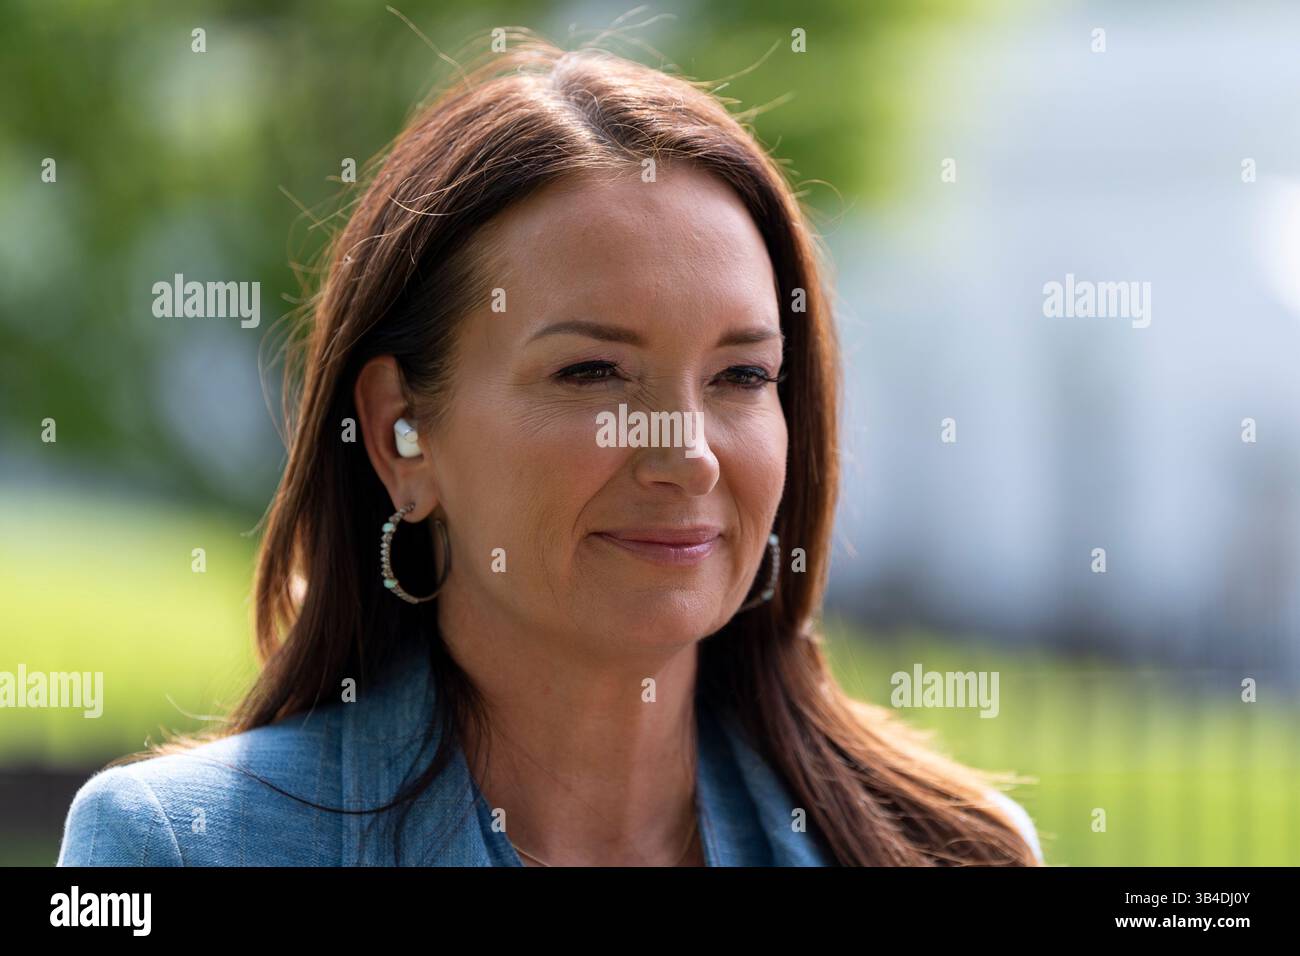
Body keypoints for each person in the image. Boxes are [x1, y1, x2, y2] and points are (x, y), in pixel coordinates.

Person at [58, 33, 1043, 867]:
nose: (686, 455)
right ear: (403, 432)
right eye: (593, 374)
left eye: (741, 376)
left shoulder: (953, 849)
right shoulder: (178, 848)